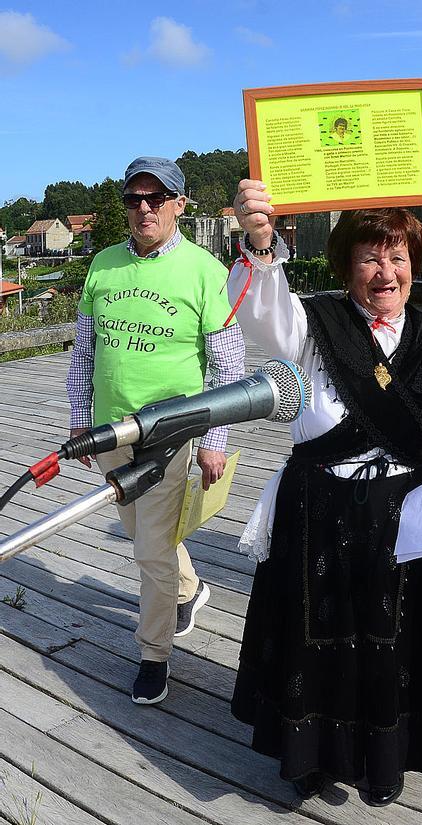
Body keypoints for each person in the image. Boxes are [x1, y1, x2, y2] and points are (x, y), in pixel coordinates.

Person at [227, 182, 422, 805]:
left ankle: (389, 759)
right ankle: (315, 760)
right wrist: (262, 241)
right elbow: (264, 318)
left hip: (411, 517)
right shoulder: (314, 323)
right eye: (372, 257)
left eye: (399, 257)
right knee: (323, 643)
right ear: (347, 262)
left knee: (396, 646)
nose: (387, 272)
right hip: (322, 511)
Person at [66, 156, 245, 704]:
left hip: (170, 431)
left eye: (156, 198)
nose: (144, 209)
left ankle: (154, 654)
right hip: (110, 432)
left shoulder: (204, 270)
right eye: (133, 199)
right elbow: (84, 349)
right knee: (145, 532)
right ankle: (190, 590)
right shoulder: (102, 264)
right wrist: (80, 420)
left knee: (149, 551)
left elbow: (229, 366)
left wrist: (215, 442)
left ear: (179, 206)